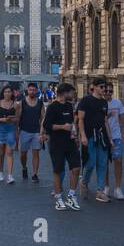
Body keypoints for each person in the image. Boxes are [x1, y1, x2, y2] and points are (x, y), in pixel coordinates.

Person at [44, 83, 81, 211]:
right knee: (58, 170)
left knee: (76, 167)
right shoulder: (52, 107)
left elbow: (71, 123)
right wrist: (62, 127)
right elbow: (47, 126)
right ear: (65, 92)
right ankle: (59, 198)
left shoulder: (69, 106)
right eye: (71, 92)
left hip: (70, 141)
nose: (73, 94)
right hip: (56, 142)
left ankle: (71, 195)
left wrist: (75, 135)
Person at [76, 79, 111, 203]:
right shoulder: (85, 101)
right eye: (102, 87)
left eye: (105, 88)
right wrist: (83, 135)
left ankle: (100, 191)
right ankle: (84, 182)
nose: (104, 90)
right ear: (94, 87)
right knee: (90, 163)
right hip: (90, 135)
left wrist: (110, 138)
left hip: (102, 137)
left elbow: (105, 121)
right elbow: (80, 119)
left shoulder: (104, 103)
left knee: (102, 163)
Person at [18, 83, 45, 183]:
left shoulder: (40, 103)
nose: (32, 91)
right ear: (27, 90)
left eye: (34, 90)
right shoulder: (23, 102)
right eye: (30, 90)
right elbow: (19, 116)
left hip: (36, 131)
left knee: (36, 153)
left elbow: (43, 118)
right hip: (24, 130)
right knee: (23, 154)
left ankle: (35, 174)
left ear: (37, 90)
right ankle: (24, 167)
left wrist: (43, 132)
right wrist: (17, 131)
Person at [105, 82, 124, 200]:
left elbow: (123, 118)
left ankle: (118, 188)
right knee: (104, 163)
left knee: (118, 160)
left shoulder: (117, 103)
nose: (108, 93)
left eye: (110, 91)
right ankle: (106, 186)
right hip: (103, 137)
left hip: (116, 136)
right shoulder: (99, 103)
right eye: (106, 91)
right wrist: (107, 116)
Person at [0, 85, 20, 184]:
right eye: (6, 92)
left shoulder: (15, 104)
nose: (7, 94)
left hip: (11, 129)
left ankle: (10, 175)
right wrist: (3, 119)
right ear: (3, 93)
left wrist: (12, 120)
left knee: (9, 152)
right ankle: (0, 172)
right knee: (1, 153)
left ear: (12, 93)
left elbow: (17, 118)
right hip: (0, 129)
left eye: (9, 92)